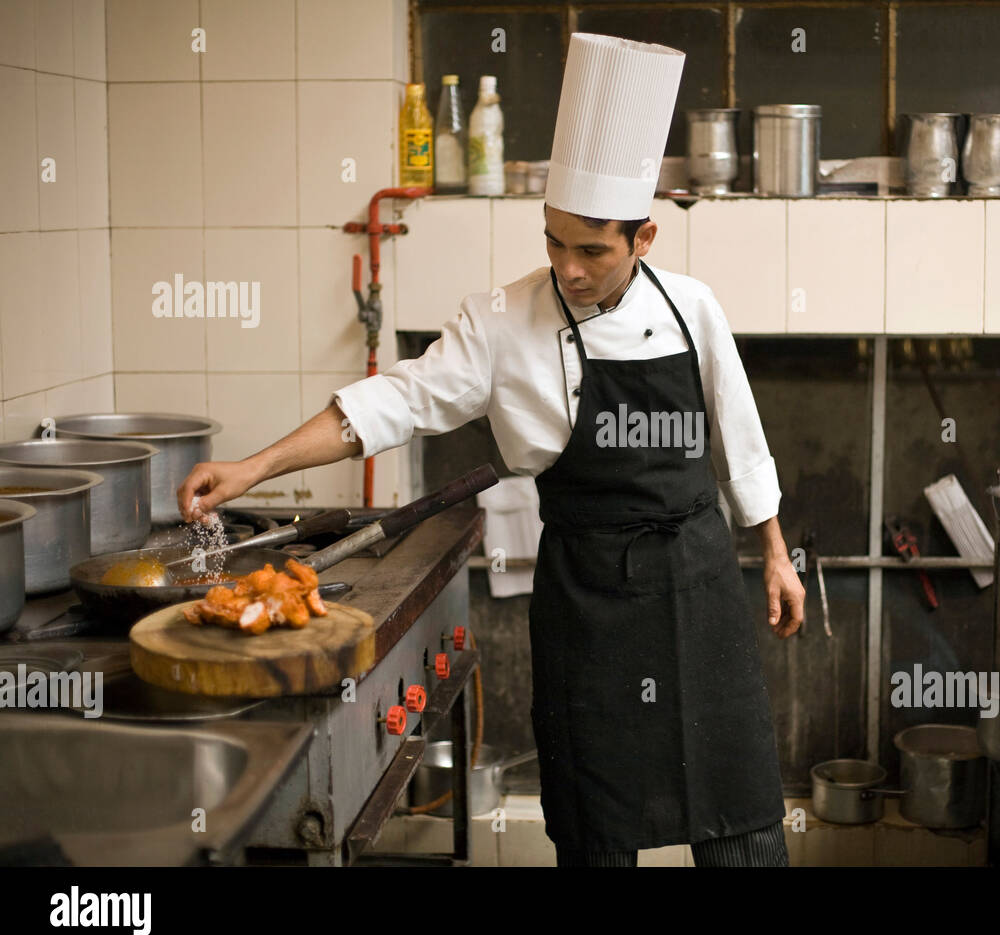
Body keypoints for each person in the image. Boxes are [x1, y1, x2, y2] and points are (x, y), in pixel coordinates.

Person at [178, 33, 804, 867]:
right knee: (597, 826)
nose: (568, 269)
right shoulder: (504, 323)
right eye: (554, 242)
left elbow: (740, 434)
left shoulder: (693, 309)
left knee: (741, 821)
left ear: (645, 237)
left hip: (696, 581)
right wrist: (254, 466)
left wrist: (775, 552)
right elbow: (394, 401)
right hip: (589, 599)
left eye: (593, 250)